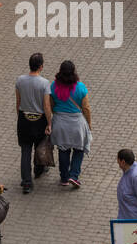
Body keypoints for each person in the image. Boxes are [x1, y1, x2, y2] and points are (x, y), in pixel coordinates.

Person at [49, 60, 92, 189]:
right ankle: (74, 175)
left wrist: (55, 115)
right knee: (79, 149)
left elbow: (51, 105)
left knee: (63, 149)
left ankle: (64, 177)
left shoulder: (53, 86)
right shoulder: (80, 87)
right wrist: (89, 123)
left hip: (60, 123)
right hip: (76, 124)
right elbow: (86, 108)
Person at [15, 52, 52, 193]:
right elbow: (46, 106)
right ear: (41, 66)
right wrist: (49, 123)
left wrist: (20, 117)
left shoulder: (20, 80)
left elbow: (18, 102)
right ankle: (38, 169)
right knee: (39, 146)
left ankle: (26, 182)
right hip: (39, 120)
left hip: (24, 119)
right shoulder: (44, 84)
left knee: (25, 150)